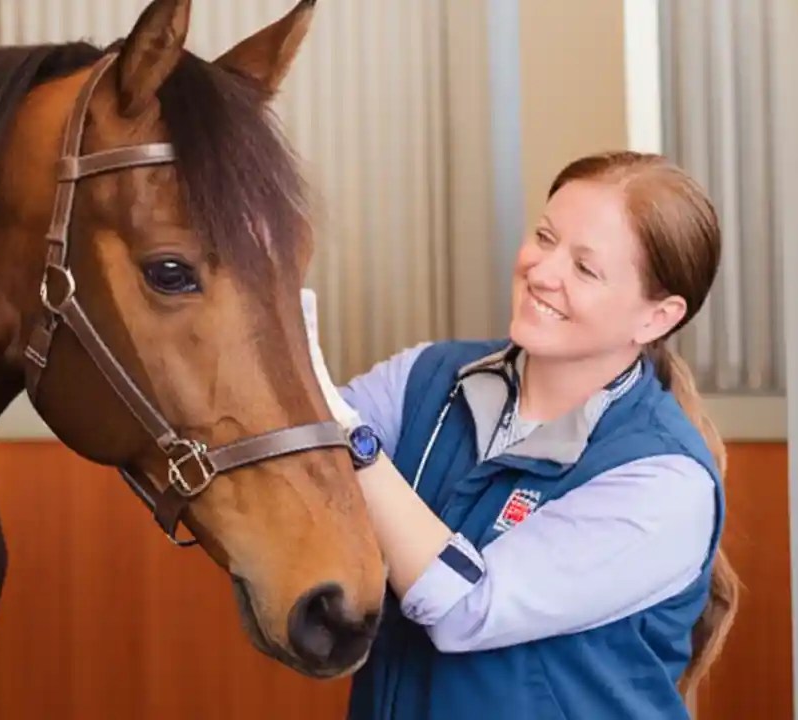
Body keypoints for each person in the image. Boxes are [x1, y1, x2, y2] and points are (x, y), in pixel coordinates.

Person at [302, 150, 736, 719]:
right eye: (545, 236)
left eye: (585, 268)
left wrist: (353, 438)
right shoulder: (426, 380)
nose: (542, 271)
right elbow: (301, 462)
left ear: (655, 318)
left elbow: (465, 607)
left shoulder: (663, 481)